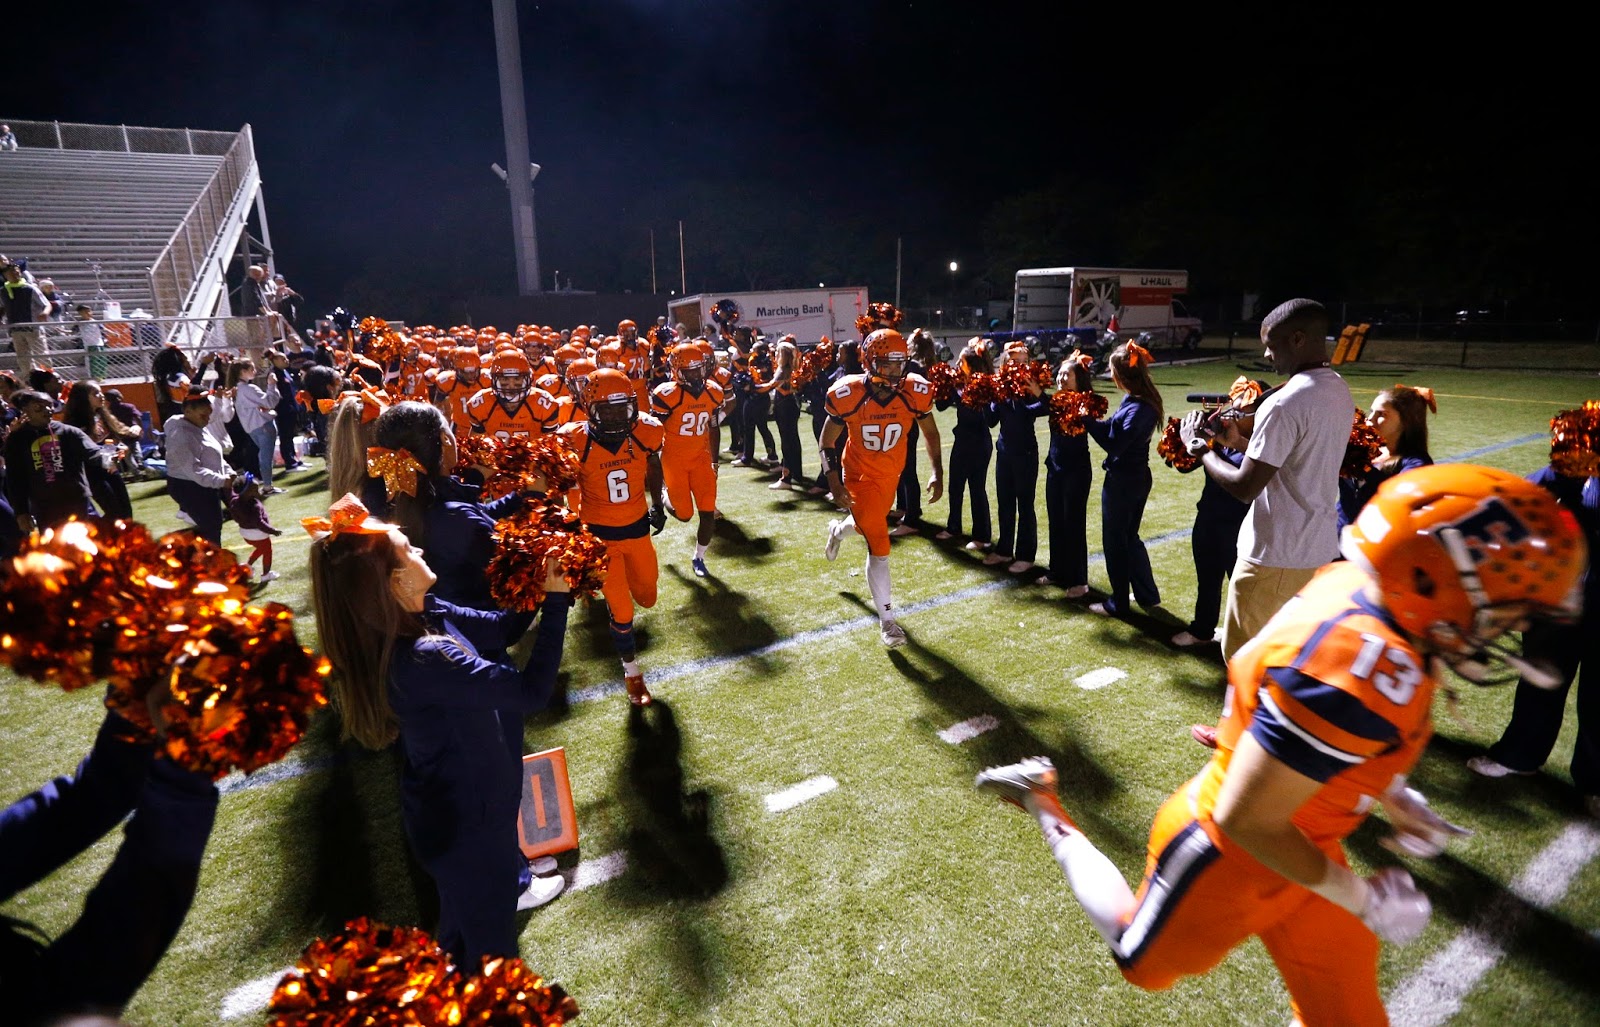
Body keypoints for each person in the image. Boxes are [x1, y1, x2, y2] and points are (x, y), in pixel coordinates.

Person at [976, 464, 1586, 1027]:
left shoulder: (1363, 589)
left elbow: (1267, 682)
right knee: (1141, 958)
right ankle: (1043, 800)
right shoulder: (1358, 664)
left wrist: (1389, 790)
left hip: (1303, 838)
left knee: (1346, 1017)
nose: (1507, 626)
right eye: (1505, 608)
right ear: (1439, 576)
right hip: (1232, 849)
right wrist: (1364, 899)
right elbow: (1249, 819)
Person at [308, 494, 572, 965]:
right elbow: (530, 692)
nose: (421, 551)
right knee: (493, 958)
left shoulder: (423, 611)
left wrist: (535, 571)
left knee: (459, 937)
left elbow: (502, 629)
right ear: (394, 580)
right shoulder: (426, 657)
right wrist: (557, 603)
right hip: (468, 830)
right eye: (409, 550)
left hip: (449, 814)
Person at [1180, 298, 1353, 665]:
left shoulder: (1284, 402)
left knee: (1243, 660)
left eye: (1272, 345)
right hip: (1316, 549)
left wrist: (1200, 449)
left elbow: (1245, 487)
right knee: (1290, 657)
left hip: (1274, 553)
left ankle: (1242, 725)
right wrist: (1238, 442)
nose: (1267, 355)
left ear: (1298, 340)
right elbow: (1293, 463)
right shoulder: (1337, 388)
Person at [1467, 451, 1600, 816]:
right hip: (1561, 599)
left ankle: (1595, 782)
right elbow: (1517, 494)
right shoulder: (1575, 470)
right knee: (1540, 679)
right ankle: (1521, 755)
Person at [819, 329, 944, 648]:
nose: (894, 371)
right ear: (869, 361)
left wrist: (937, 471)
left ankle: (837, 532)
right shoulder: (849, 392)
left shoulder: (914, 391)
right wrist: (833, 480)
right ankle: (888, 621)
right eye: (886, 364)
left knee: (866, 525)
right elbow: (827, 440)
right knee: (880, 542)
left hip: (890, 474)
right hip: (858, 475)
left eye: (899, 363)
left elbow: (930, 433)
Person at [559, 368, 667, 705]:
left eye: (622, 407)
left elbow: (653, 465)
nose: (617, 415)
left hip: (637, 531)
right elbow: (561, 485)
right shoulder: (574, 439)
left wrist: (658, 504)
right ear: (590, 408)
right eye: (608, 409)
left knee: (648, 597)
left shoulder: (647, 431)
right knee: (622, 611)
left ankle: (623, 626)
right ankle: (632, 673)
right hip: (600, 539)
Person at [1085, 341, 1163, 616]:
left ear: (1120, 375)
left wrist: (1086, 422)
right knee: (1129, 538)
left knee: (1116, 542)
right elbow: (1112, 428)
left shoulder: (1141, 409)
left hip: (1125, 483)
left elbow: (1115, 444)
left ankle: (1118, 602)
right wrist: (1092, 414)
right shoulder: (1135, 399)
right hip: (1132, 478)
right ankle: (1147, 595)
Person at [652, 344, 727, 578]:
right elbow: (654, 432)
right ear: (677, 371)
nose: (696, 374)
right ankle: (666, 496)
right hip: (674, 459)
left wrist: (714, 462)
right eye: (690, 370)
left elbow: (713, 428)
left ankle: (699, 557)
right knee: (684, 515)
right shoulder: (666, 395)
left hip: (701, 458)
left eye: (699, 369)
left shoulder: (713, 391)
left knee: (707, 512)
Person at [984, 343, 1049, 574]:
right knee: (1005, 502)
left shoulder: (1031, 387)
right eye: (1014, 361)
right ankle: (1004, 550)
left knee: (1025, 504)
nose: (1019, 365)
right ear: (1005, 363)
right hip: (1004, 451)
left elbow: (1046, 408)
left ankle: (1025, 555)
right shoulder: (1001, 387)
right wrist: (988, 396)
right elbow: (991, 421)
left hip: (1026, 453)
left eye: (1023, 361)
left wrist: (1035, 392)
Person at [4, 389, 104, 531]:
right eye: (38, 407)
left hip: (76, 500)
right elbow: (15, 478)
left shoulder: (69, 432)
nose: (47, 410)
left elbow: (93, 453)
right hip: (44, 505)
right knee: (55, 548)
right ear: (25, 410)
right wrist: (22, 513)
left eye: (49, 405)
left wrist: (107, 457)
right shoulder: (17, 439)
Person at [1338, 383, 1436, 528]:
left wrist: (1362, 468)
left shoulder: (1417, 463)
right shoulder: (1363, 449)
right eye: (1372, 412)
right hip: (1334, 537)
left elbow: (1400, 498)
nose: (1370, 420)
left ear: (1406, 421)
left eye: (1382, 414)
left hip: (1372, 544)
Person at [1036, 352, 1094, 596]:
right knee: (1056, 521)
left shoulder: (1085, 401)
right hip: (1056, 467)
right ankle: (1057, 570)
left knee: (1073, 523)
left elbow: (1058, 407)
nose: (1060, 378)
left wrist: (1039, 394)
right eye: (1059, 373)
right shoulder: (1058, 399)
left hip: (1076, 471)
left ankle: (1079, 579)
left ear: (1078, 378)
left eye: (1066, 374)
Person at [935, 339, 995, 552]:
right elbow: (941, 406)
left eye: (961, 362)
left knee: (976, 489)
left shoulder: (985, 386)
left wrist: (977, 393)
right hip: (961, 440)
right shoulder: (958, 385)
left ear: (972, 365)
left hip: (979, 443)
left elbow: (989, 420)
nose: (957, 366)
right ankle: (954, 527)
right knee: (955, 486)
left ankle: (983, 536)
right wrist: (944, 384)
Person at [162, 388, 234, 545]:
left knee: (213, 526)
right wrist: (221, 481)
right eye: (204, 415)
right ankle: (211, 566)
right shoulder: (180, 435)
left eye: (209, 414)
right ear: (188, 411)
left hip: (203, 483)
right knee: (211, 528)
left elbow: (212, 456)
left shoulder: (196, 424)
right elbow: (193, 470)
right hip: (190, 486)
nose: (208, 419)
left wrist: (228, 472)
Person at [60, 381, 134, 520]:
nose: (101, 396)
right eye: (95, 394)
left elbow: (117, 435)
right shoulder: (75, 423)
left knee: (125, 511)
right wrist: (110, 452)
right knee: (115, 511)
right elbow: (83, 451)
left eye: (100, 392)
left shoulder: (102, 415)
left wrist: (122, 444)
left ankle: (124, 539)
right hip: (92, 473)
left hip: (110, 468)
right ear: (83, 398)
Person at [892, 328, 939, 534]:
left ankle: (912, 517)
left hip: (907, 421)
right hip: (910, 420)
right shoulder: (921, 366)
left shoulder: (913, 367)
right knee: (903, 468)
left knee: (907, 468)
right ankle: (905, 507)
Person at [466, 348, 557, 439]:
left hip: (535, 452)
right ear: (493, 379)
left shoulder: (544, 403)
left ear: (528, 378)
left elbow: (551, 445)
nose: (511, 386)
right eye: (505, 379)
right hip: (493, 453)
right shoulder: (481, 403)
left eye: (517, 379)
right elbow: (475, 444)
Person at [232, 358, 281, 490]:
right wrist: (271, 385)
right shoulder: (247, 388)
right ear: (243, 371)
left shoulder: (237, 389)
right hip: (262, 425)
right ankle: (267, 486)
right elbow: (270, 402)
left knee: (264, 456)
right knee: (266, 457)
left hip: (252, 427)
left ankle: (267, 484)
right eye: (252, 369)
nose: (255, 371)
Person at [764, 333, 805, 490]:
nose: (776, 355)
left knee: (787, 442)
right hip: (791, 407)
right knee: (793, 440)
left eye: (778, 353)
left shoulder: (783, 370)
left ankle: (786, 478)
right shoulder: (792, 367)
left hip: (785, 407)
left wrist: (754, 386)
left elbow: (776, 388)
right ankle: (796, 473)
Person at [229, 473, 282, 582]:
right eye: (255, 489)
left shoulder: (235, 502)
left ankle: (248, 565)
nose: (258, 491)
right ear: (247, 493)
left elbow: (235, 516)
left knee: (260, 548)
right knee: (267, 551)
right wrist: (273, 531)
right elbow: (259, 523)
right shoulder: (254, 506)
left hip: (245, 533)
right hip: (259, 534)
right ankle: (266, 575)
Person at [3, 261, 51, 375]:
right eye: (11, 273)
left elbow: (46, 304)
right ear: (6, 276)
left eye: (17, 272)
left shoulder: (30, 289)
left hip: (32, 328)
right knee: (23, 358)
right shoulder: (3, 291)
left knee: (41, 355)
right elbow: (2, 307)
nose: (15, 274)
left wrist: (44, 313)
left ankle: (48, 378)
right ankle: (30, 379)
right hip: (16, 329)